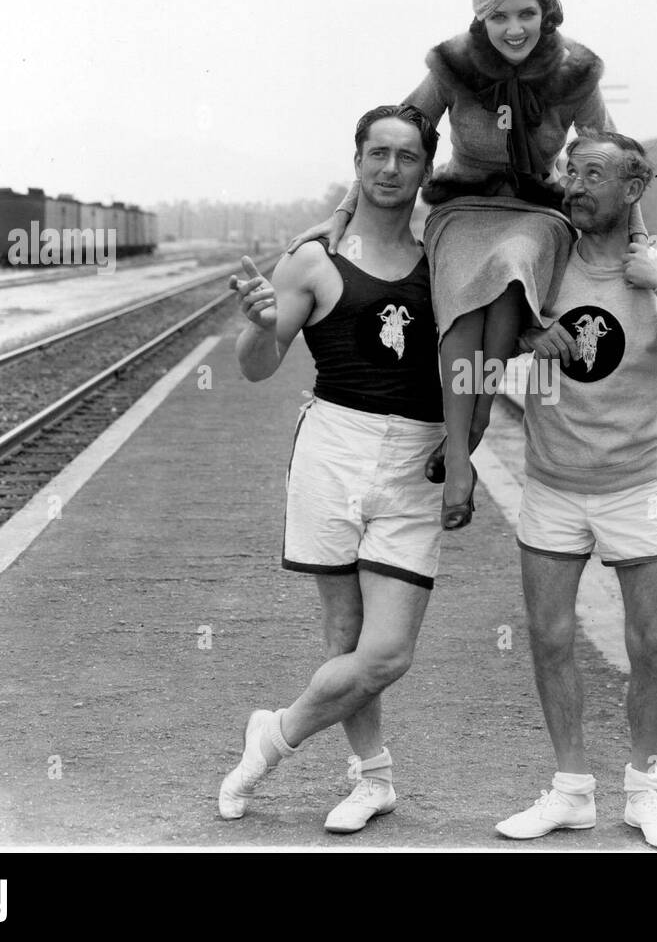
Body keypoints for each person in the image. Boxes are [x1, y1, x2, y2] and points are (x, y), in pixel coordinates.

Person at [288, 0, 646, 532]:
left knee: (510, 266)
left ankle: (467, 439)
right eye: (498, 17)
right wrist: (344, 210)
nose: (514, 29)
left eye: (526, 14)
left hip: (534, 211)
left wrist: (640, 238)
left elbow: (612, 156)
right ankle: (460, 457)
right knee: (463, 309)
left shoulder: (575, 74)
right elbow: (396, 132)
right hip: (461, 207)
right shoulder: (454, 66)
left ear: (545, 13)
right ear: (481, 21)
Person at [495, 131, 657, 849]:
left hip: (634, 487)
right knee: (547, 638)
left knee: (652, 642)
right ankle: (570, 790)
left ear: (634, 189)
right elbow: (485, 333)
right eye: (571, 170)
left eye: (594, 173)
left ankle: (645, 790)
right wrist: (525, 340)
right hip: (551, 484)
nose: (576, 183)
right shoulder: (542, 263)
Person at [218, 104, 444, 834]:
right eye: (376, 154)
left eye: (407, 156)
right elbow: (256, 368)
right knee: (345, 631)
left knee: (388, 651)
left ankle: (274, 737)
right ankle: (371, 778)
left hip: (417, 457)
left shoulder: (444, 256)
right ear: (356, 162)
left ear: (425, 167)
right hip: (332, 447)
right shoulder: (312, 259)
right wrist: (256, 324)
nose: (390, 169)